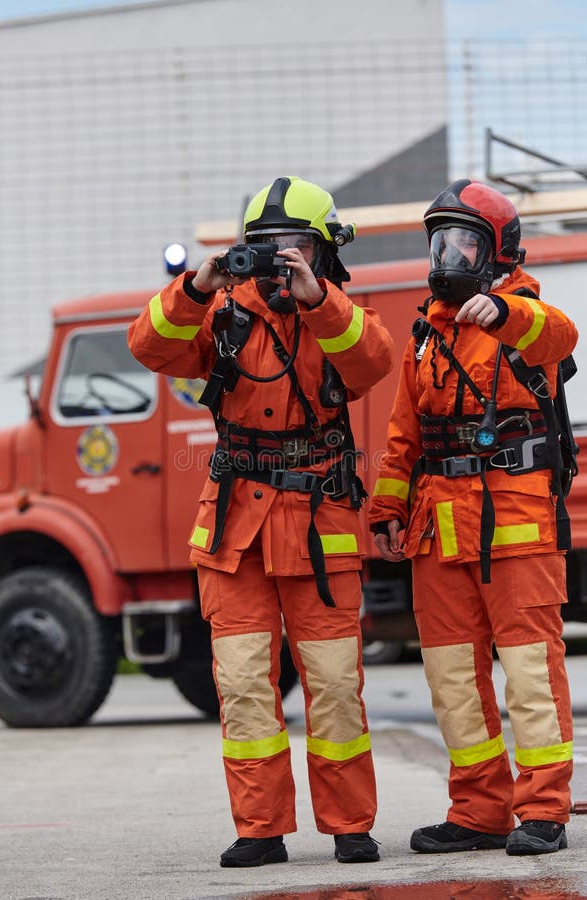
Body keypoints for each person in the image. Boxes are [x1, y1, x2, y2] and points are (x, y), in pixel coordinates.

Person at [128, 176, 394, 867]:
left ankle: (349, 825)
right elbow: (148, 347)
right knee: (244, 684)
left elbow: (374, 362)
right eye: (267, 248)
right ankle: (261, 829)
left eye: (295, 247)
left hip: (319, 526)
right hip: (236, 533)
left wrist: (319, 302)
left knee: (335, 683)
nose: (280, 260)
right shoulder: (222, 314)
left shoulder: (336, 315)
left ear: (324, 251)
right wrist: (196, 285)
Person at [368, 179, 578, 857]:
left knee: (528, 673)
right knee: (453, 678)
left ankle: (543, 809)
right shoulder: (424, 335)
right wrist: (387, 506)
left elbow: (560, 336)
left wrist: (505, 316)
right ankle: (479, 809)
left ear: (498, 253)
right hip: (440, 530)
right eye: (441, 241)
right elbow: (404, 435)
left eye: (463, 241)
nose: (448, 255)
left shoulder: (524, 313)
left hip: (513, 526)